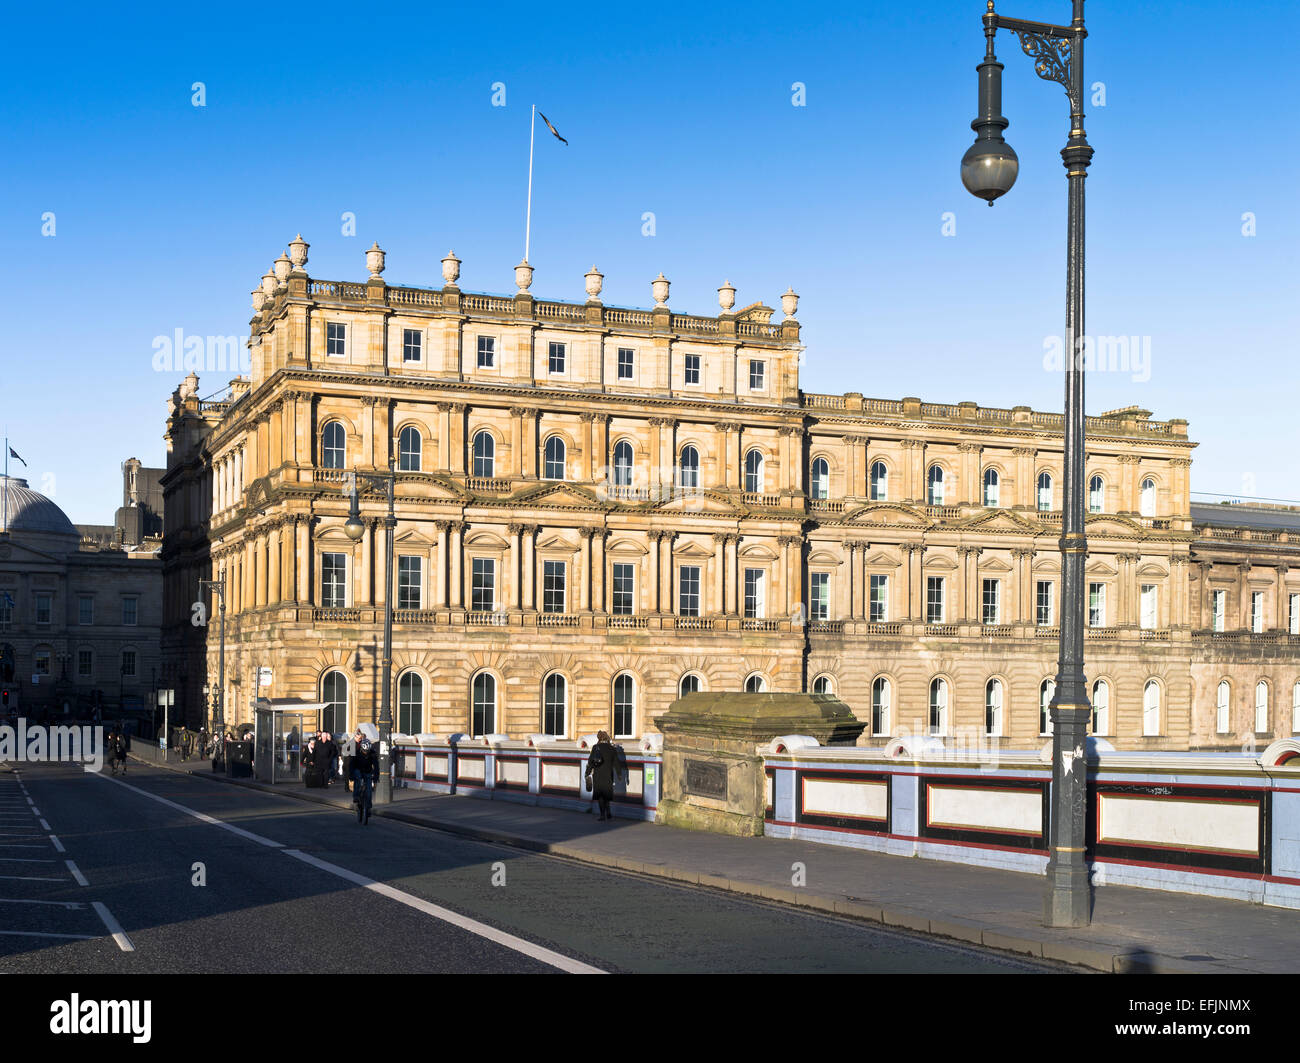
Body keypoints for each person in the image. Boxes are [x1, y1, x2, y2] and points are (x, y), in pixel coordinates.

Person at [585, 730, 623, 822]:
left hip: (598, 775)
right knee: (606, 794)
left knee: (600, 796)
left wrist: (587, 772)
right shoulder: (612, 748)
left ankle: (602, 815)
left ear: (599, 738)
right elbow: (616, 763)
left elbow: (590, 762)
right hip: (608, 774)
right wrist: (619, 774)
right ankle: (608, 812)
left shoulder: (595, 747)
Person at [351, 728, 379, 824]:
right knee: (357, 778)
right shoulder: (357, 752)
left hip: (367, 771)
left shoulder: (372, 754)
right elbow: (352, 764)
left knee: (369, 791)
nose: (365, 753)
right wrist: (351, 775)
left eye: (367, 751)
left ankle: (368, 808)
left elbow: (376, 766)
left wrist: (376, 777)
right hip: (358, 769)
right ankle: (356, 796)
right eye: (364, 751)